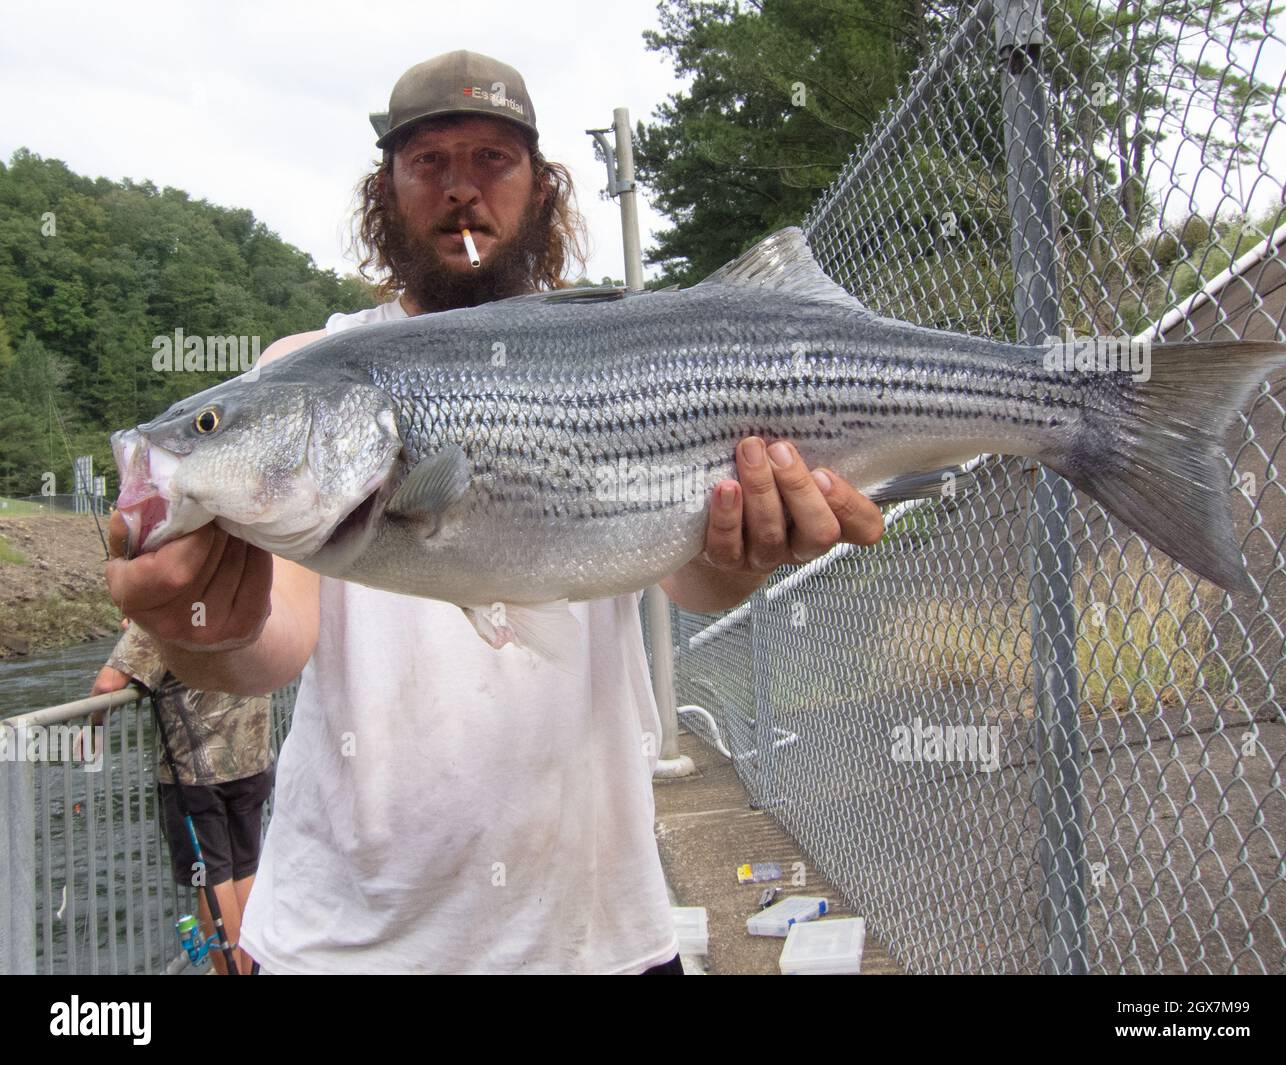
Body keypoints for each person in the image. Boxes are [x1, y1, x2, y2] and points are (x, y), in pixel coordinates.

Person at [105, 49, 884, 974]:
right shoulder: (306, 363)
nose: (460, 190)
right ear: (386, 190)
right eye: (428, 162)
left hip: (595, 935)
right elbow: (270, 641)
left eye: (492, 159)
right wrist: (197, 627)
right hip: (342, 942)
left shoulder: (621, 336)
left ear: (543, 187)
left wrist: (751, 543)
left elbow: (695, 578)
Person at [91, 620, 274, 975]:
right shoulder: (241, 595)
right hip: (252, 759)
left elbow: (107, 685)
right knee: (245, 869)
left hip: (196, 774)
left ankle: (229, 972)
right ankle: (253, 968)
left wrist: (93, 729)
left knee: (212, 876)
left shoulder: (163, 610)